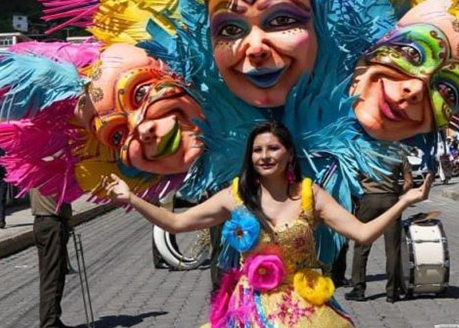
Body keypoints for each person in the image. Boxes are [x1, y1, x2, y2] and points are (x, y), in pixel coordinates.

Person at [101, 121, 428, 327]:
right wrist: (131, 198)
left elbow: (363, 232)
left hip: (305, 311)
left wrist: (405, 201)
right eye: (257, 150)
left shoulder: (309, 194)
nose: (265, 155)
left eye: (273, 148)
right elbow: (176, 222)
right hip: (251, 311)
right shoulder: (236, 196)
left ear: (288, 153)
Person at [345, 147, 414, 303]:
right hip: (391, 201)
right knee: (392, 249)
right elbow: (409, 182)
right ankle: (392, 292)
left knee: (362, 246)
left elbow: (353, 178)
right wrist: (396, 193)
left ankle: (359, 289)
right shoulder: (399, 152)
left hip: (368, 200)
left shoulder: (363, 150)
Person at [31, 188, 73, 328]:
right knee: (53, 278)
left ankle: (53, 319)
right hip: (53, 223)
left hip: (43, 222)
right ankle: (49, 324)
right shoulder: (54, 170)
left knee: (52, 275)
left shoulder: (33, 170)